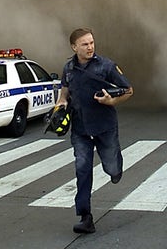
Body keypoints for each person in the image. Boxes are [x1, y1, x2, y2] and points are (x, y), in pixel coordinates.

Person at [55, 28, 133, 234]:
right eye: (85, 44)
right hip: (80, 129)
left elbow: (128, 90)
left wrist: (111, 100)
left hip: (104, 127)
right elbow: (64, 95)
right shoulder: (69, 68)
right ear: (74, 47)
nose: (90, 47)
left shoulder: (106, 66)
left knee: (112, 167)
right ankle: (85, 216)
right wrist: (60, 108)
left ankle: (116, 169)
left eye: (91, 43)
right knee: (82, 169)